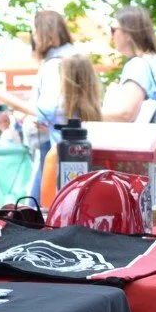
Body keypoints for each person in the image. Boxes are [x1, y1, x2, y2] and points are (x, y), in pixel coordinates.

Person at [101, 5, 156, 134]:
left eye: (113, 30)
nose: (112, 36)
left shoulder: (138, 65)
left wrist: (87, 114)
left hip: (145, 149)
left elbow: (125, 113)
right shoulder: (155, 62)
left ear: (128, 32)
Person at [38, 53, 105, 204]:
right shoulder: (96, 107)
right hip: (89, 173)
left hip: (58, 169)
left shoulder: (58, 107)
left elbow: (33, 111)